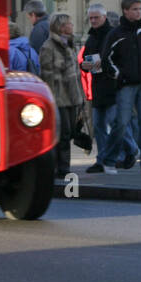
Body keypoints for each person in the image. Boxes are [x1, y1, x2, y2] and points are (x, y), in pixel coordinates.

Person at [97, 0, 141, 175]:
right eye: (134, 9)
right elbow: (107, 59)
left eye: (139, 9)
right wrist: (119, 75)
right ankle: (109, 160)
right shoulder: (116, 34)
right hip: (126, 84)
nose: (138, 12)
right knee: (122, 123)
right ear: (125, 11)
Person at [80, 4, 139, 173]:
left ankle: (131, 148)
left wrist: (105, 63)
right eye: (90, 18)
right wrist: (85, 65)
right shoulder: (91, 38)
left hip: (113, 85)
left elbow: (122, 58)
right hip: (98, 86)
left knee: (116, 123)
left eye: (96, 17)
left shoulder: (113, 35)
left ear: (104, 17)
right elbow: (85, 60)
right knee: (98, 126)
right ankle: (102, 159)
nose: (93, 21)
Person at [39, 12, 85, 179]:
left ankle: (63, 165)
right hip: (58, 97)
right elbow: (46, 74)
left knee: (70, 132)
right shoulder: (49, 46)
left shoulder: (70, 44)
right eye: (68, 24)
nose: (71, 26)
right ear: (61, 27)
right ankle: (62, 168)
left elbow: (76, 73)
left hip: (73, 97)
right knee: (62, 133)